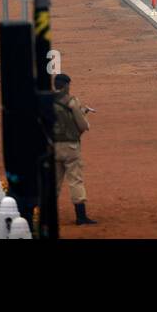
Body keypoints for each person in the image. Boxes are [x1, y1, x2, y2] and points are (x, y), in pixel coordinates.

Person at [52, 74, 96, 225]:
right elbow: (83, 125)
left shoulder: (48, 101)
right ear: (65, 86)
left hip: (53, 146)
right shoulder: (72, 102)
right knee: (75, 181)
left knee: (53, 183)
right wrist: (84, 114)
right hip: (71, 147)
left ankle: (46, 216)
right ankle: (81, 217)